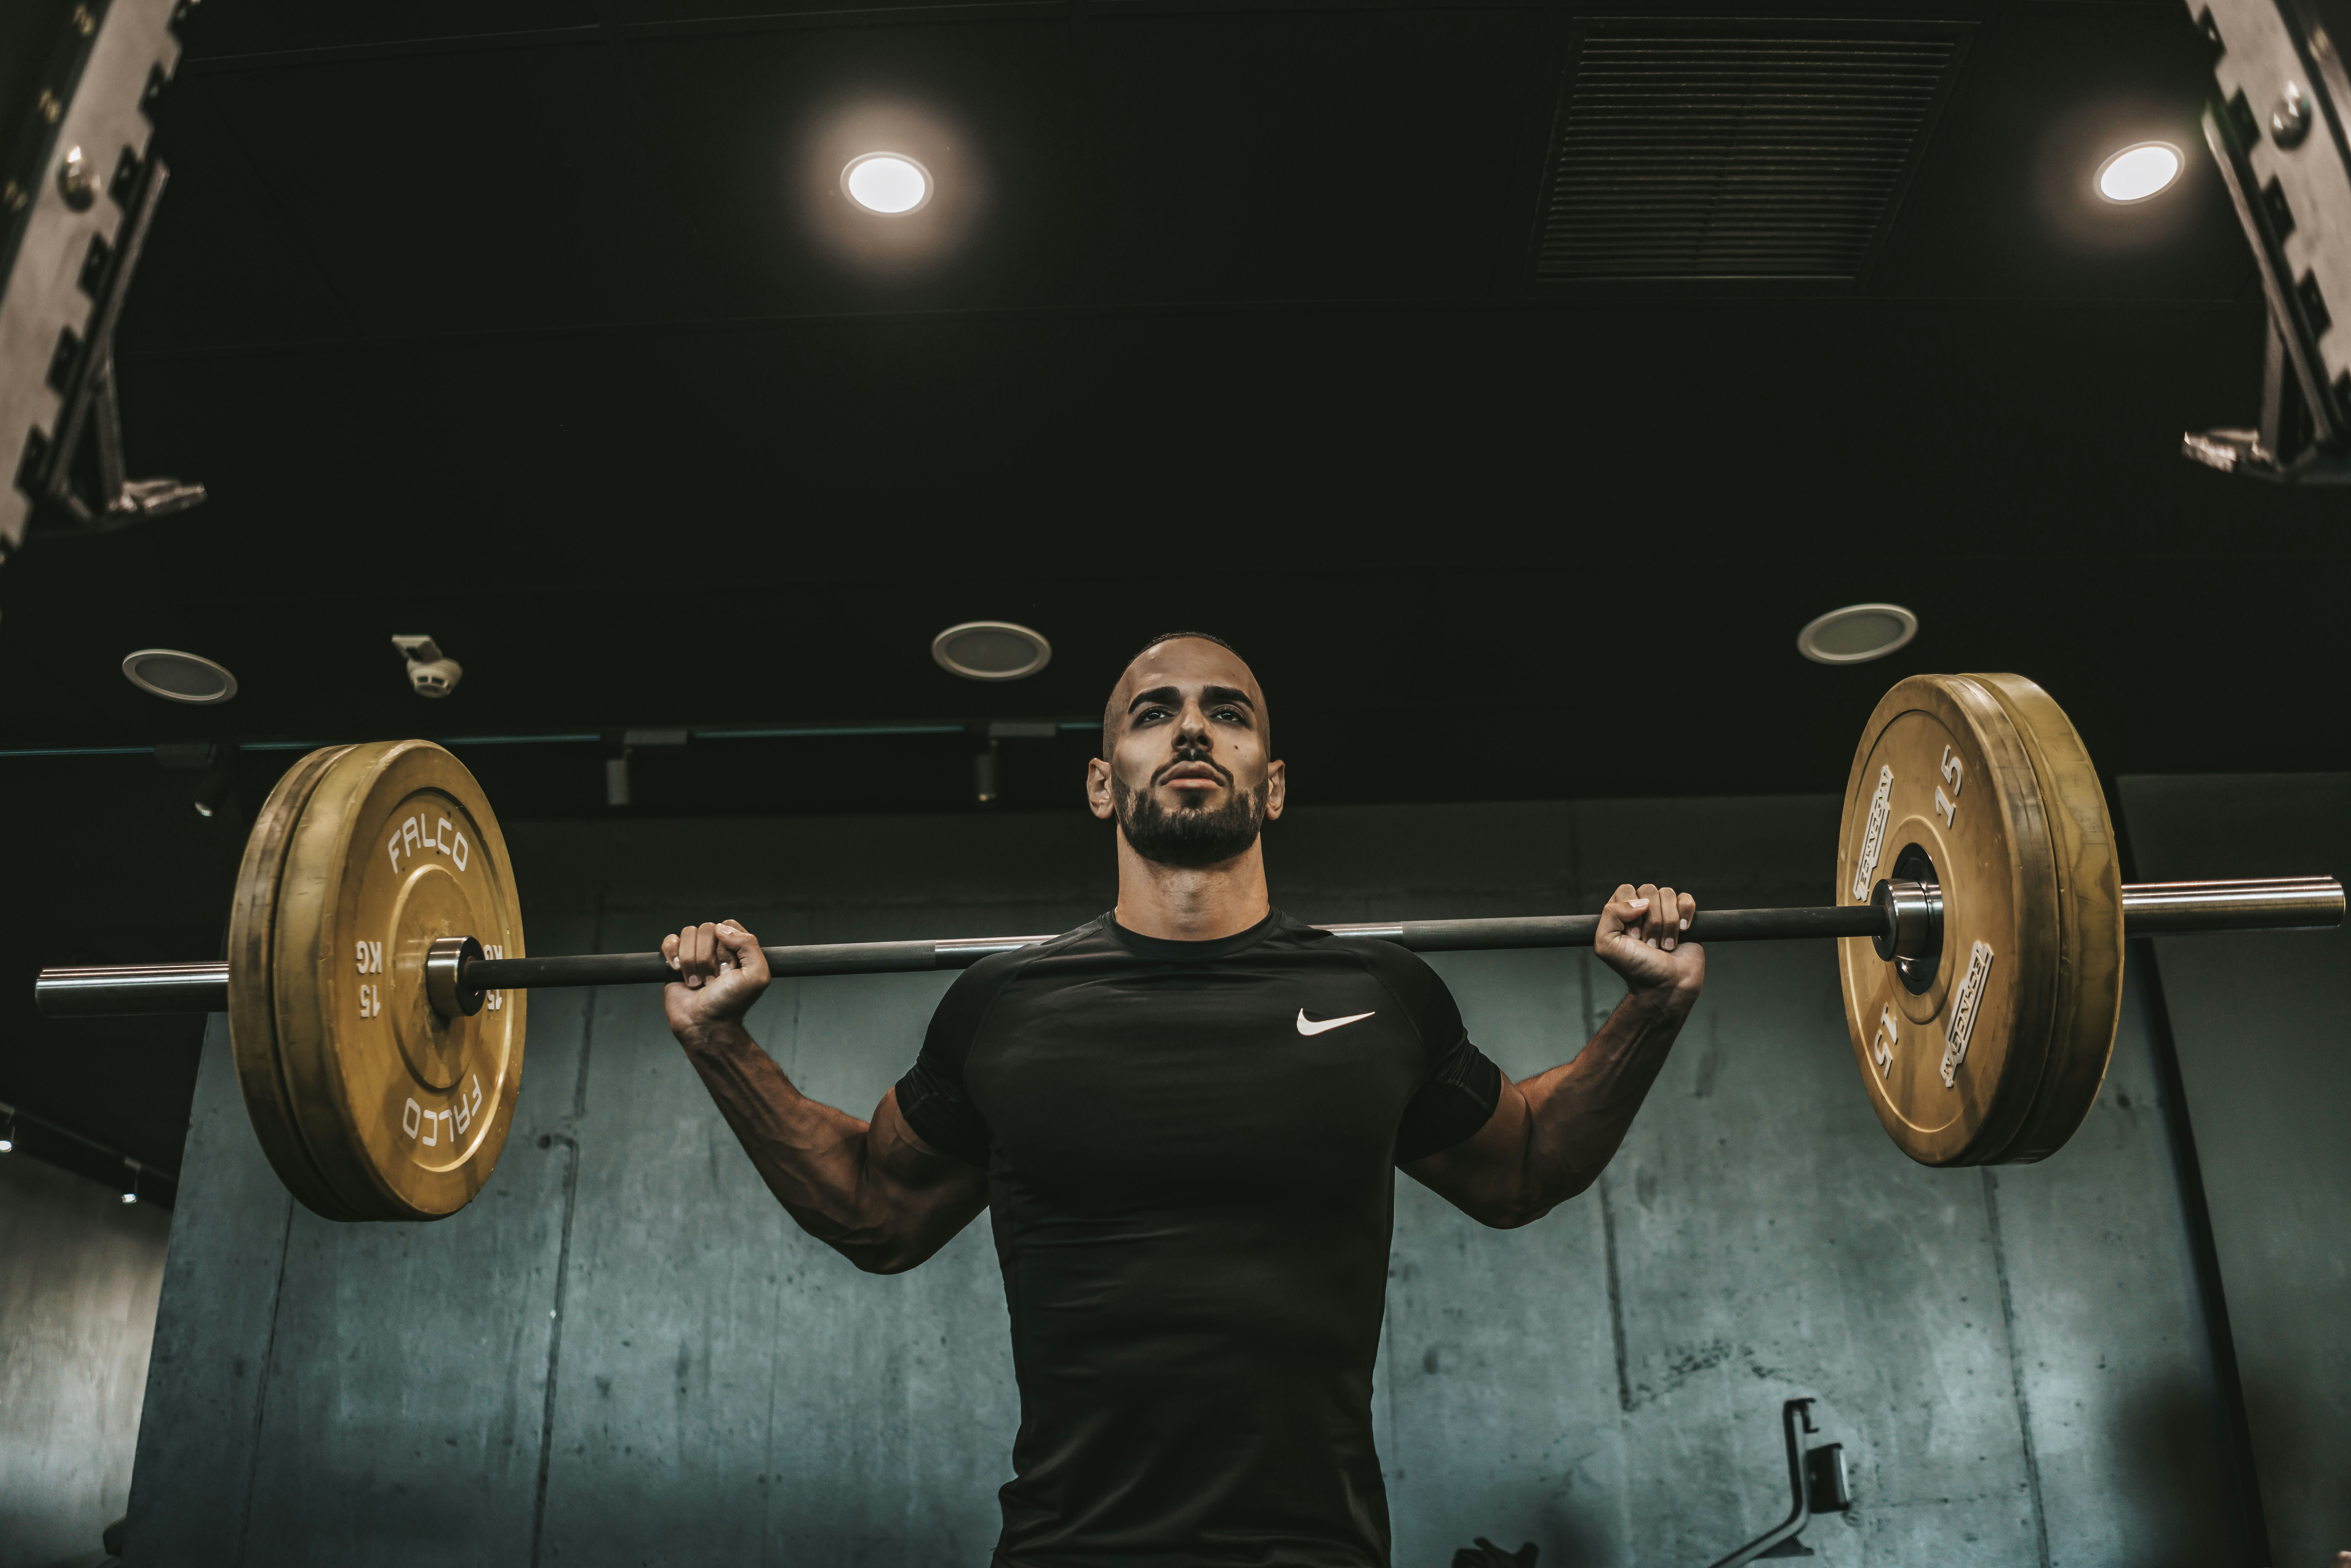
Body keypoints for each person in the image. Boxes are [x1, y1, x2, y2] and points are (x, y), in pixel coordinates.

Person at [661, 631, 1706, 1568]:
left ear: (1276, 783)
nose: (1194, 729)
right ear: (1102, 785)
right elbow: (874, 1212)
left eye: (1228, 712)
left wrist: (1649, 1012)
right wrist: (719, 1043)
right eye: (1156, 714)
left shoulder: (1382, 995)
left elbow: (1520, 1171)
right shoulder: (1002, 1006)